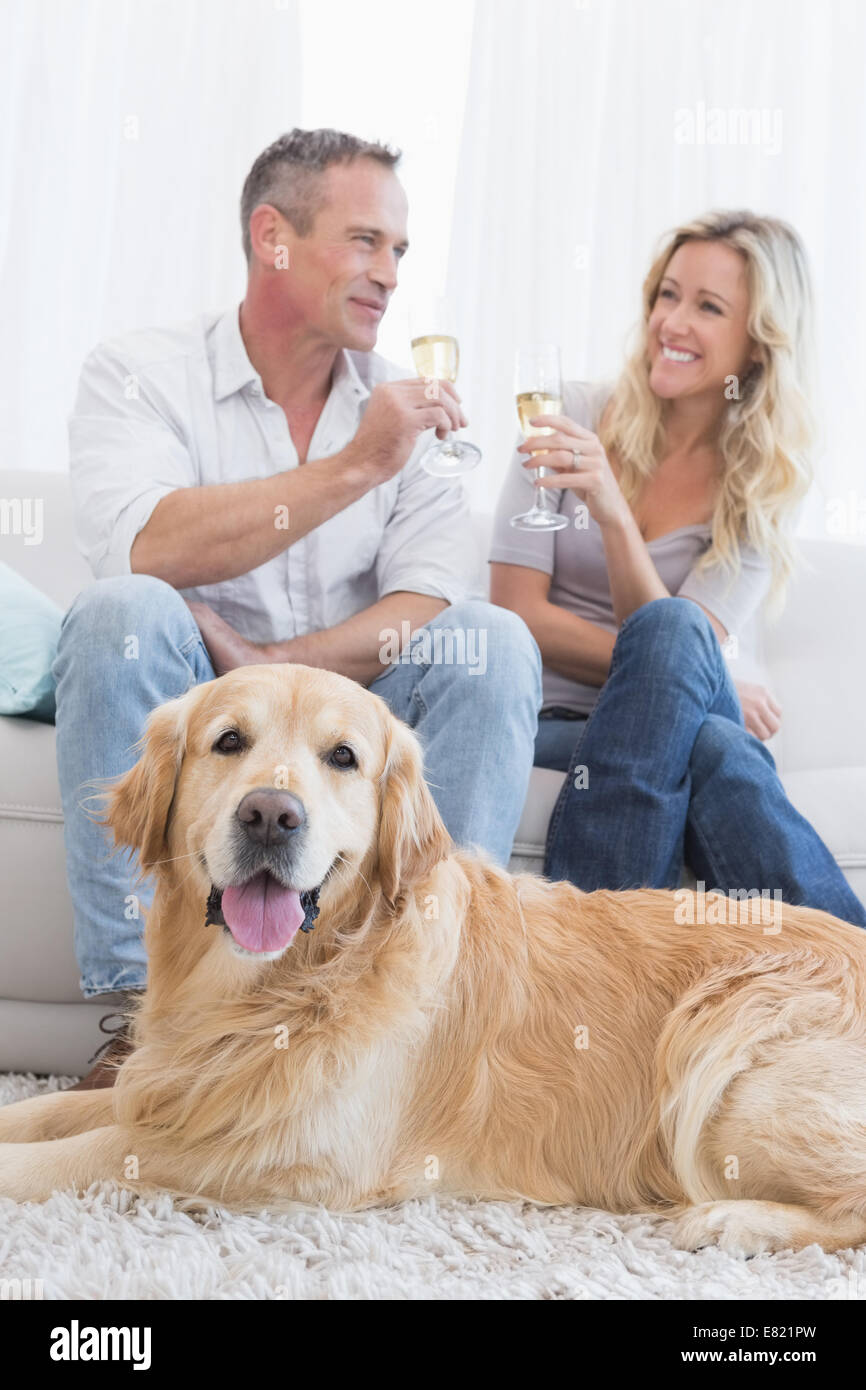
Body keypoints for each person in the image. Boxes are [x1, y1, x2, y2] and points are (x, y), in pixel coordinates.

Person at [56, 127, 542, 1088]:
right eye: (365, 241)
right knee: (121, 611)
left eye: (399, 251)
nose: (390, 274)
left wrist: (279, 668)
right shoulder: (139, 373)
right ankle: (135, 1019)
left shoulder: (410, 406)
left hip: (342, 720)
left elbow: (427, 603)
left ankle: (437, 998)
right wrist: (359, 463)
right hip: (202, 712)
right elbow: (151, 546)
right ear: (272, 237)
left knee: (492, 639)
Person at [490, 209, 866, 928]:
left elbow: (670, 642)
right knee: (717, 739)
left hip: (658, 718)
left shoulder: (764, 483)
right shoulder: (570, 413)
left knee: (674, 639)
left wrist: (611, 511)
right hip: (554, 718)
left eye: (708, 306)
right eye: (667, 295)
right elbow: (514, 615)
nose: (672, 321)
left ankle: (588, 957)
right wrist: (696, 676)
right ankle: (854, 972)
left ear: (759, 346)